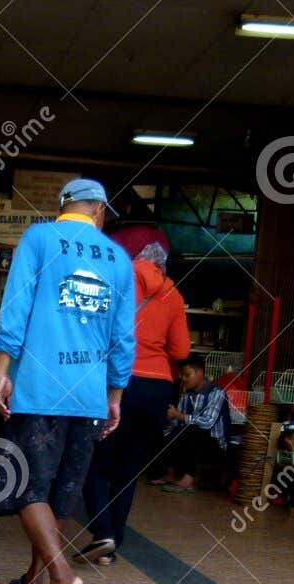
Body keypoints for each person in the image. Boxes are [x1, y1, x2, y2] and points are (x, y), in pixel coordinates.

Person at [0, 177, 135, 584]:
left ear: (64, 207)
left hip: (40, 388)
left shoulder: (39, 237)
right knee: (60, 493)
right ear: (100, 211)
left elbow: (15, 306)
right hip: (89, 396)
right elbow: (123, 337)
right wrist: (114, 394)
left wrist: (1, 368)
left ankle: (63, 578)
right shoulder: (119, 259)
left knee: (27, 485)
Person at [79, 229, 189, 565]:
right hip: (156, 390)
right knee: (128, 470)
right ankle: (113, 547)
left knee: (96, 463)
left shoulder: (115, 283)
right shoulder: (174, 295)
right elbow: (181, 350)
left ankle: (103, 534)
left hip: (117, 383)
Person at [157, 356, 231, 492]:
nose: (183, 379)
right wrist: (167, 425)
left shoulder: (216, 393)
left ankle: (188, 481)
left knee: (192, 431)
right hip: (192, 438)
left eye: (187, 375)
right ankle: (171, 474)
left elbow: (207, 423)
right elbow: (176, 423)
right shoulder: (187, 395)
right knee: (166, 432)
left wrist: (178, 416)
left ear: (200, 373)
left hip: (214, 445)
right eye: (182, 375)